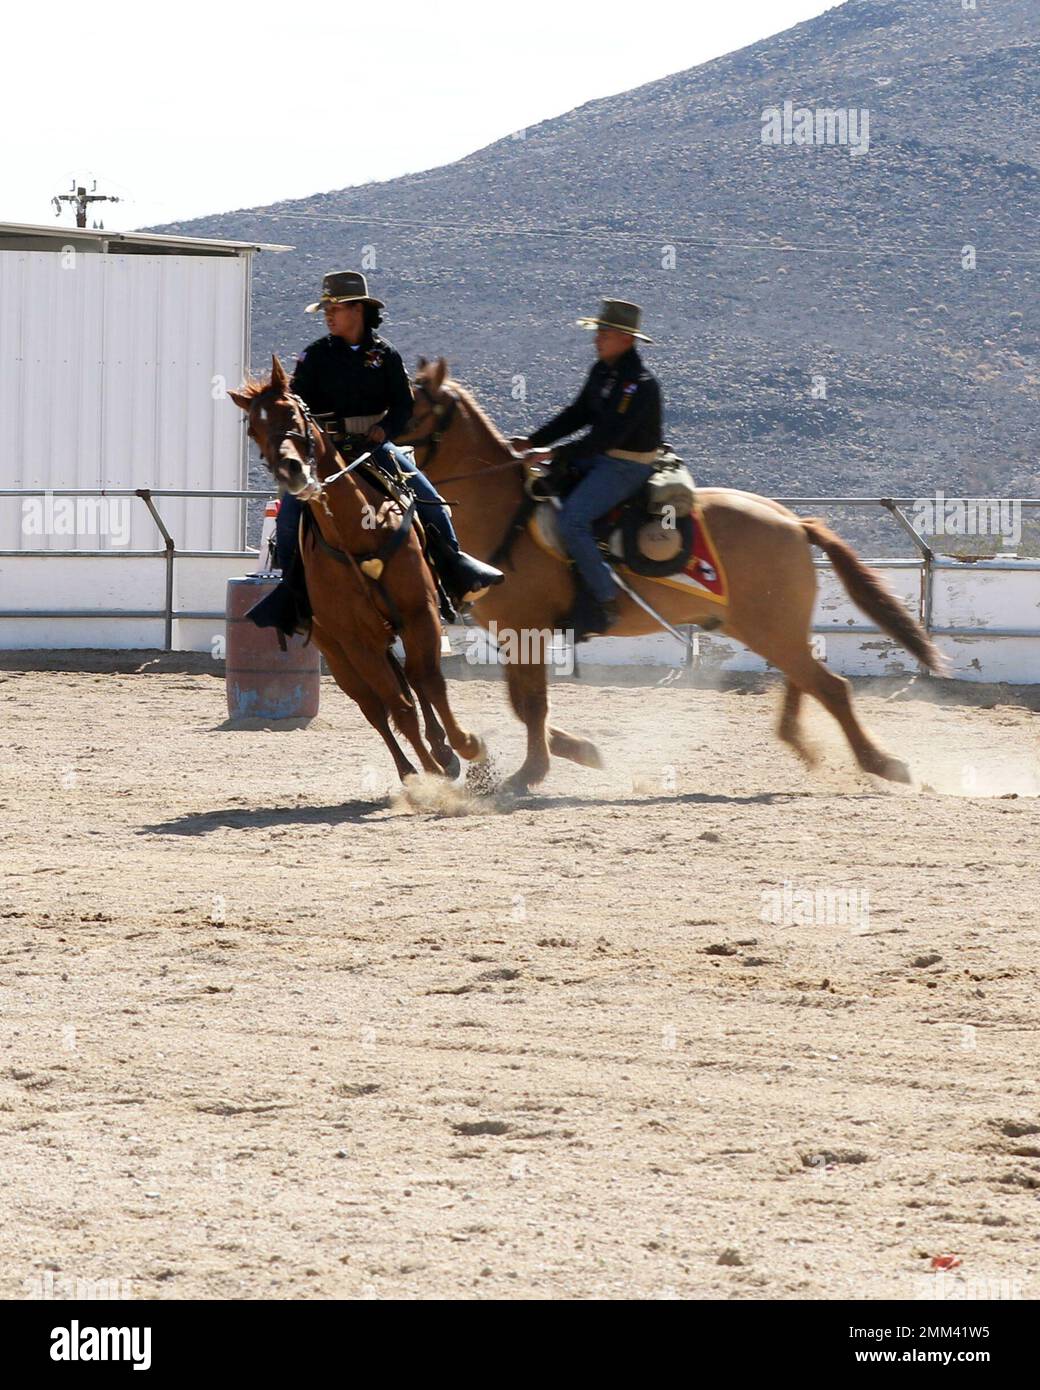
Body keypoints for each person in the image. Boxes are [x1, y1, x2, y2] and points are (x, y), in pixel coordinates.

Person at [278, 270, 503, 604]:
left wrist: (387, 429)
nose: (327, 314)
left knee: (431, 503)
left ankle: (455, 571)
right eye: (325, 308)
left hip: (373, 448)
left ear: (357, 310)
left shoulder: (387, 356)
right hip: (327, 452)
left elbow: (403, 405)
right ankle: (289, 591)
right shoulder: (314, 357)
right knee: (289, 513)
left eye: (334, 308)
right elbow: (294, 403)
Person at [513, 299, 663, 636]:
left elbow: (607, 437)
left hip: (626, 466)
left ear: (627, 339)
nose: (597, 339)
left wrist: (553, 454)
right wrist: (533, 440)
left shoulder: (638, 384)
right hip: (601, 457)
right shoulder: (603, 372)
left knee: (573, 520)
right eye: (598, 332)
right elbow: (578, 413)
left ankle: (605, 599)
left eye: (605, 333)